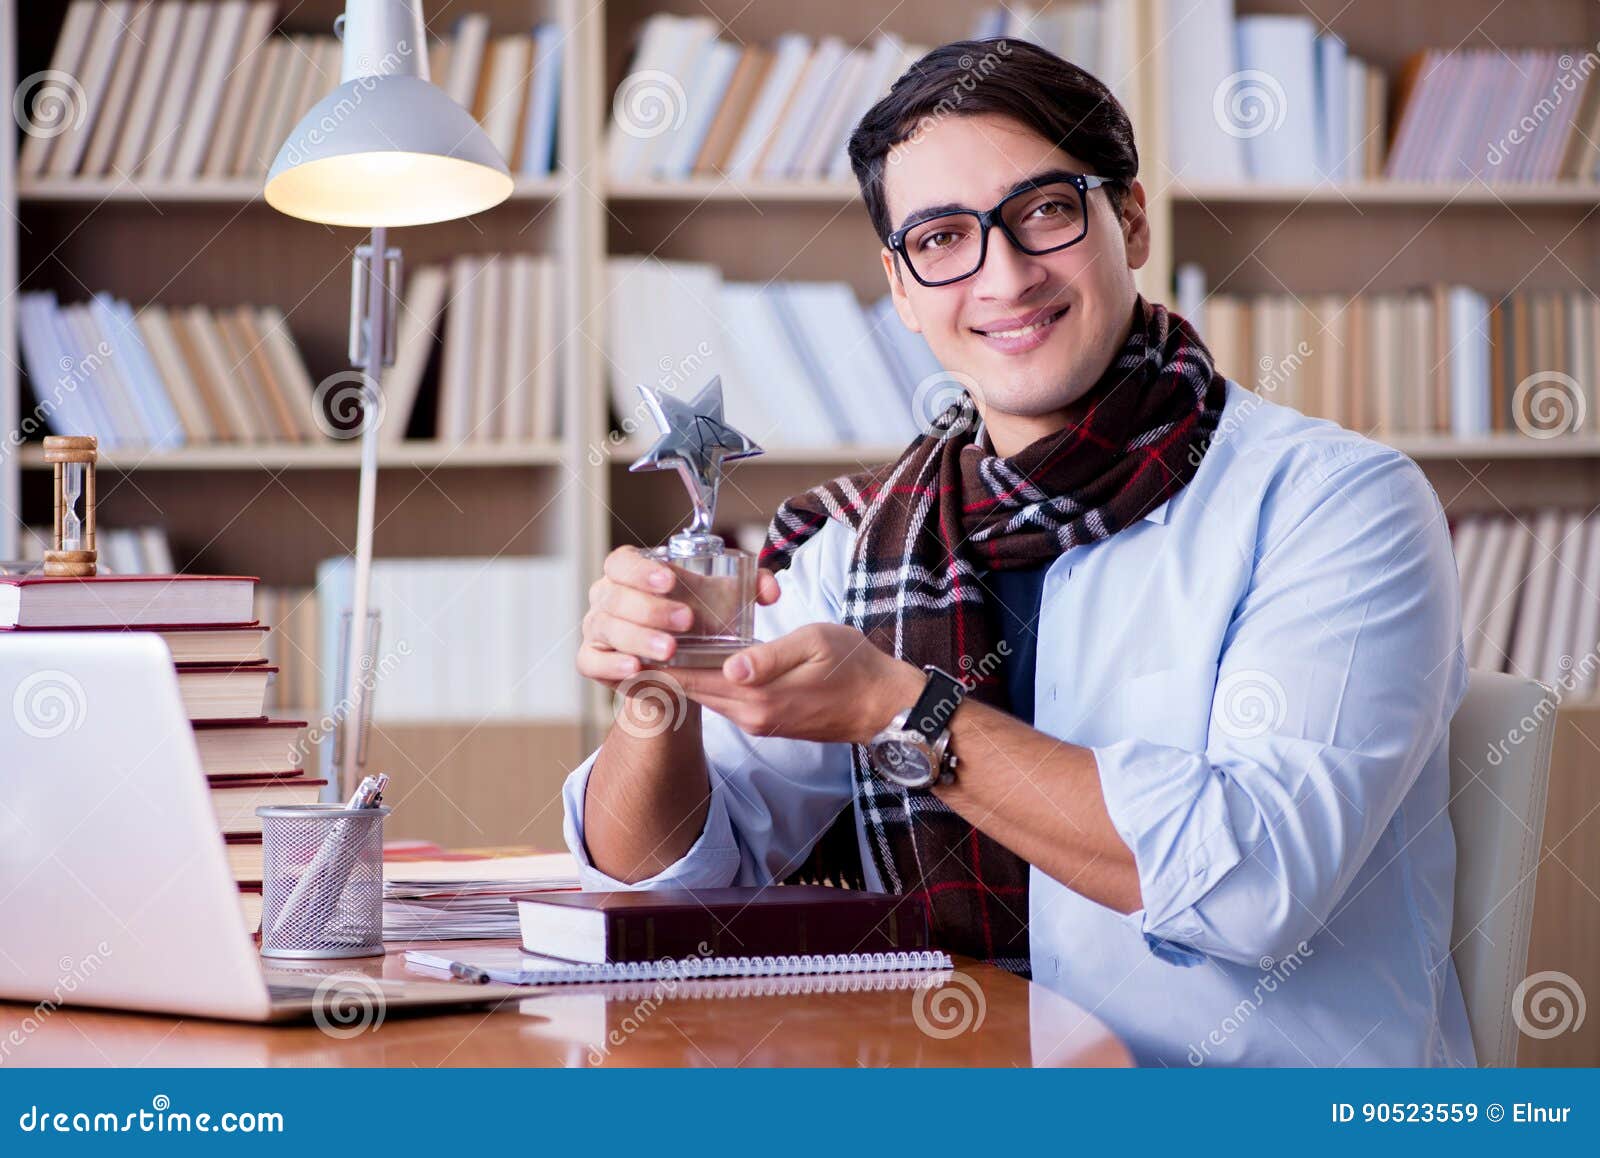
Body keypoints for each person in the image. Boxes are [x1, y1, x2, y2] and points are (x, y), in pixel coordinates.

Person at [564, 38, 1473, 1067]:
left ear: (1127, 219)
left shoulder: (1340, 503)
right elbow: (663, 889)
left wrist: (905, 713)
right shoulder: (864, 544)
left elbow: (1252, 886)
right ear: (902, 287)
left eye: (1043, 210)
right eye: (942, 238)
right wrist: (658, 694)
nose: (1002, 275)